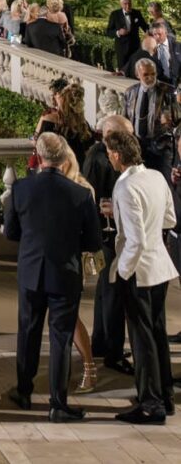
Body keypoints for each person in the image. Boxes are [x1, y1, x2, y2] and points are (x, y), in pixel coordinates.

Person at [2, 132, 103, 422]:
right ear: (63, 157)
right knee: (60, 339)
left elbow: (10, 233)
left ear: (40, 154)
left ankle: (23, 390)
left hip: (32, 272)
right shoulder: (80, 194)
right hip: (65, 274)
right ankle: (58, 403)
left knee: (28, 331)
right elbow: (93, 242)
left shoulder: (21, 188)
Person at [105, 127, 178, 423]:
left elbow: (134, 240)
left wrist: (123, 273)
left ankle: (150, 404)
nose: (109, 158)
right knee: (157, 334)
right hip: (160, 267)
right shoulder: (157, 177)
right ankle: (165, 397)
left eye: (110, 153)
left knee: (141, 339)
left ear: (118, 155)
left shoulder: (124, 187)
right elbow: (170, 218)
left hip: (138, 271)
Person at [81, 113, 135, 376]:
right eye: (127, 134)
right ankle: (112, 351)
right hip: (105, 236)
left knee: (106, 291)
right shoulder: (97, 158)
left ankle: (101, 343)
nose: (132, 139)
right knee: (113, 294)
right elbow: (89, 197)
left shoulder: (107, 156)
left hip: (108, 235)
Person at [55, 148, 99, 392]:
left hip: (70, 263)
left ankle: (89, 368)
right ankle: (70, 370)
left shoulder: (81, 190)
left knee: (69, 317)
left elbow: (89, 234)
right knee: (64, 317)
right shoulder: (64, 187)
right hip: (59, 263)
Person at [122, 58, 181, 183]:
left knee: (163, 184)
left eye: (153, 73)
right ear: (137, 74)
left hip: (161, 148)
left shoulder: (169, 92)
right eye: (145, 74)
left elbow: (178, 121)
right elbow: (125, 121)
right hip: (137, 148)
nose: (150, 77)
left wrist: (170, 122)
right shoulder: (130, 92)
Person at [34, 80, 94, 166]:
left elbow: (38, 143)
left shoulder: (49, 119)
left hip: (57, 170)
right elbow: (88, 150)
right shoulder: (82, 123)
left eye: (56, 94)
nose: (54, 96)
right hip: (77, 170)